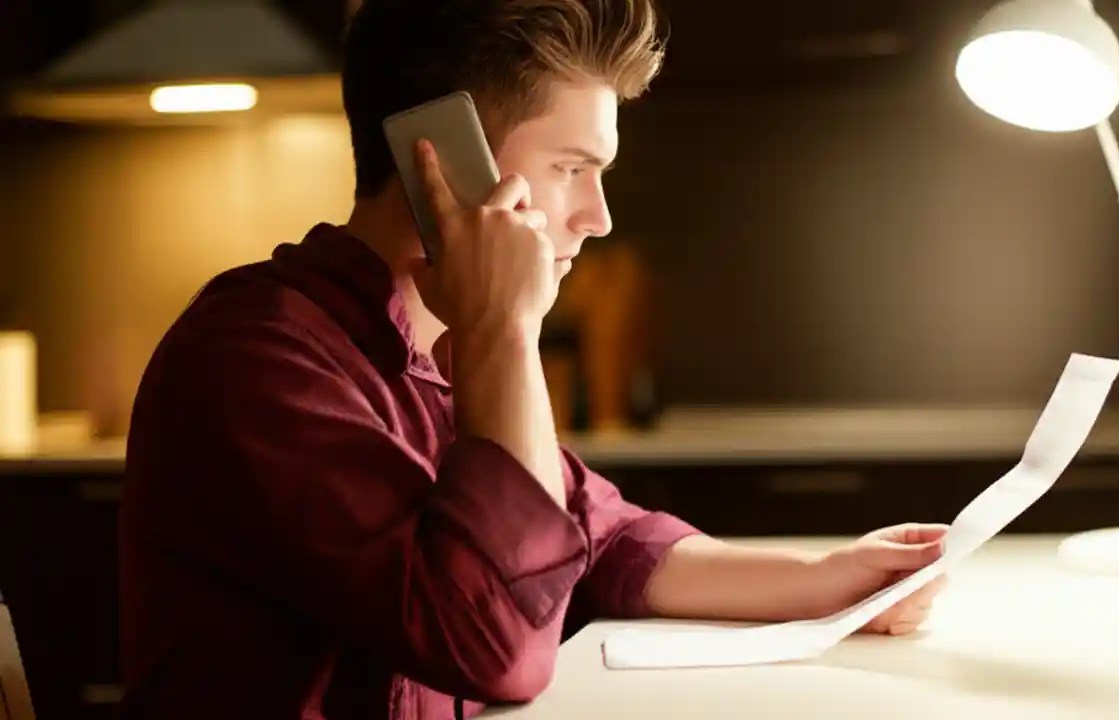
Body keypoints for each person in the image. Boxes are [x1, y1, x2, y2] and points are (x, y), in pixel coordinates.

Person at [118, 1, 948, 718]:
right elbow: (495, 642)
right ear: (435, 156)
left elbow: (602, 537)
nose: (597, 216)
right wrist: (505, 329)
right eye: (569, 169)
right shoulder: (257, 360)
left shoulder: (435, 345)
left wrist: (826, 584)